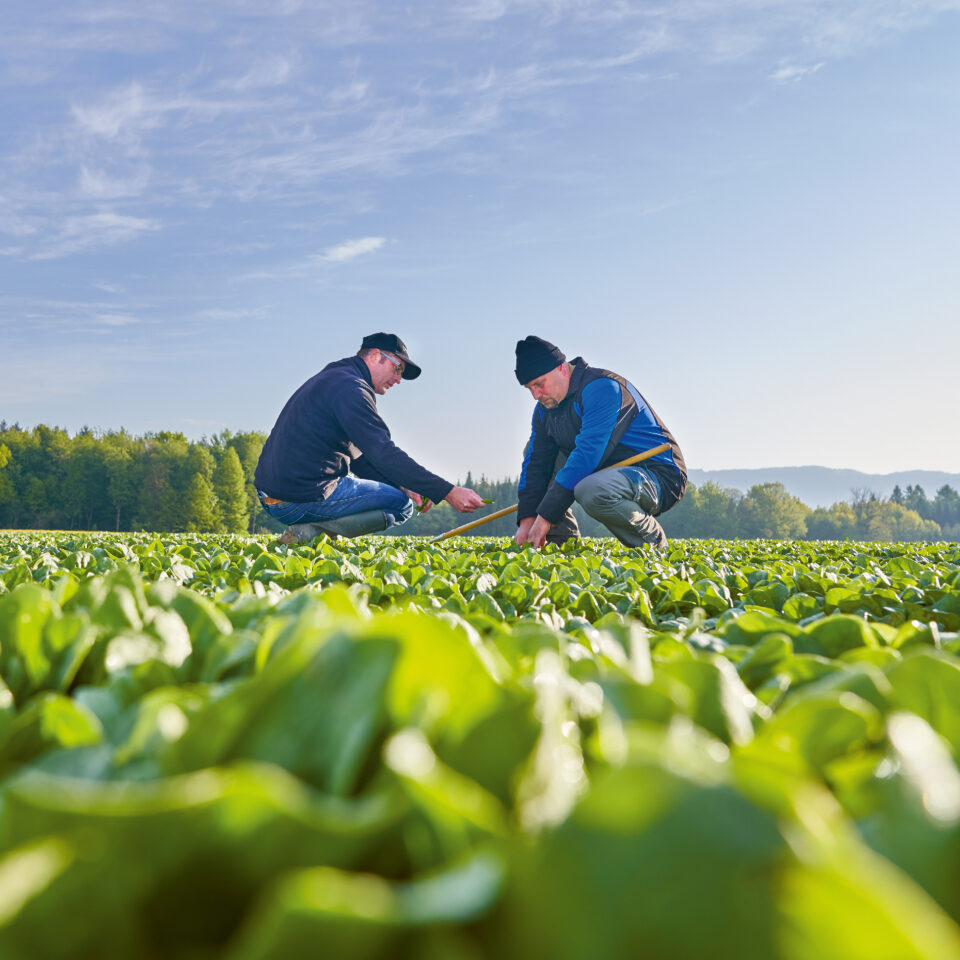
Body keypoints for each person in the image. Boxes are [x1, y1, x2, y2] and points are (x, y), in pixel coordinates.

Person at [255, 332, 485, 543]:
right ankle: (311, 531)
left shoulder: (336, 379)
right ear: (376, 356)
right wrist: (447, 491)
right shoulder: (351, 388)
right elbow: (383, 452)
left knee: (399, 494)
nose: (399, 379)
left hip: (273, 496)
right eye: (398, 368)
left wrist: (403, 485)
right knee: (401, 505)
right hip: (298, 498)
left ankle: (311, 530)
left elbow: (362, 460)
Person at [513, 335, 686, 549]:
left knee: (591, 489)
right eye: (529, 388)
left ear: (562, 369)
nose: (535, 395)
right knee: (532, 451)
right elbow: (536, 464)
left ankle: (653, 546)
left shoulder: (603, 388)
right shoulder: (543, 411)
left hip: (657, 473)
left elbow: (586, 456)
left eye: (539, 384)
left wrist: (544, 517)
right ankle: (559, 544)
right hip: (605, 471)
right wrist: (528, 518)